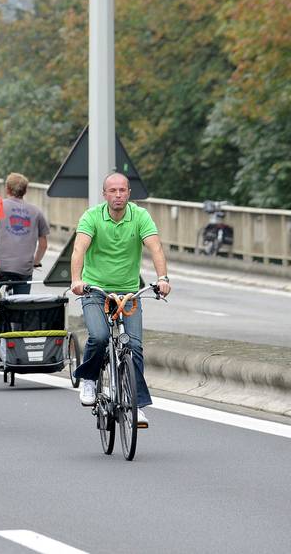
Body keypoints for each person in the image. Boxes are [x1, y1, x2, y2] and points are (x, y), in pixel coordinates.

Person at [71, 173, 171, 428]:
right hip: (96, 291)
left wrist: (163, 278)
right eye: (112, 190)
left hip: (128, 293)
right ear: (104, 194)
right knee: (100, 336)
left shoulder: (139, 216)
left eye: (122, 190)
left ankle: (135, 406)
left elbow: (156, 247)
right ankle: (90, 379)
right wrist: (76, 280)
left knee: (135, 347)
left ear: (128, 193)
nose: (118, 195)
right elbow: (79, 249)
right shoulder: (92, 216)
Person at [0, 173, 49, 331]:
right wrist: (35, 262)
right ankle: (18, 330)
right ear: (26, 190)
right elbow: (43, 244)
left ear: (7, 188)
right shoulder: (36, 212)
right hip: (23, 269)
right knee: (21, 300)